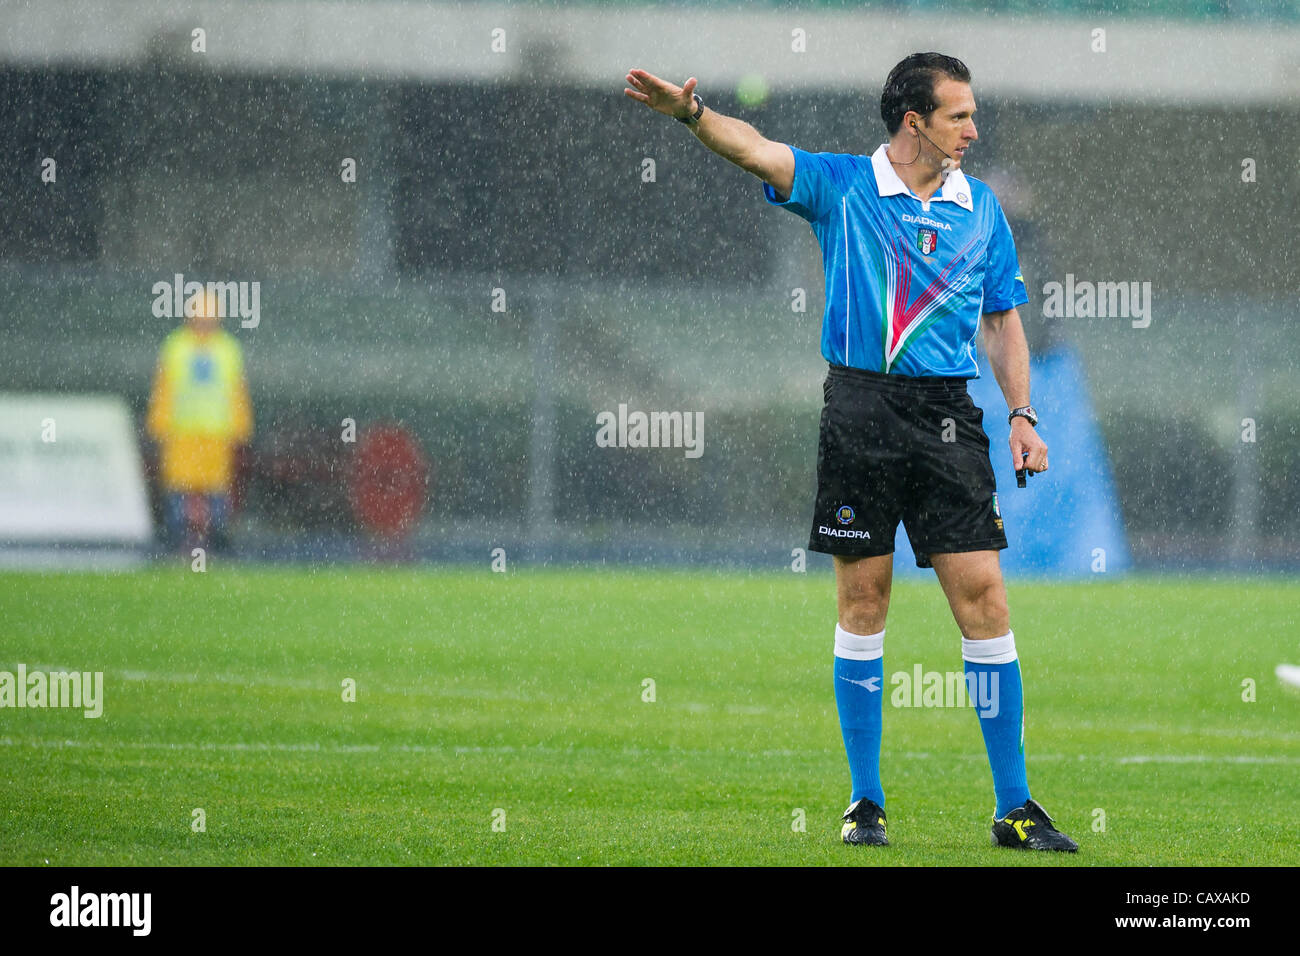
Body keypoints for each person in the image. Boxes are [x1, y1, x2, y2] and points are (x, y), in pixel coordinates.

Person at [624, 53, 1077, 851]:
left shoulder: (983, 213)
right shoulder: (843, 185)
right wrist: (693, 117)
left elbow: (1003, 322)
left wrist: (1022, 415)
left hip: (949, 420)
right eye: (959, 116)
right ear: (915, 121)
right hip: (860, 411)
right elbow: (754, 149)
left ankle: (1015, 806)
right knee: (864, 605)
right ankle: (866, 801)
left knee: (987, 604)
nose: (974, 129)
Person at [146, 289, 253, 555]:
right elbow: (164, 387)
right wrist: (159, 421)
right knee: (178, 484)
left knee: (216, 486)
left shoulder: (228, 349)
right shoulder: (176, 346)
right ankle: (176, 534)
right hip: (182, 430)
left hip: (216, 431)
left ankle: (217, 535)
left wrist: (241, 423)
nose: (204, 324)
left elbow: (236, 390)